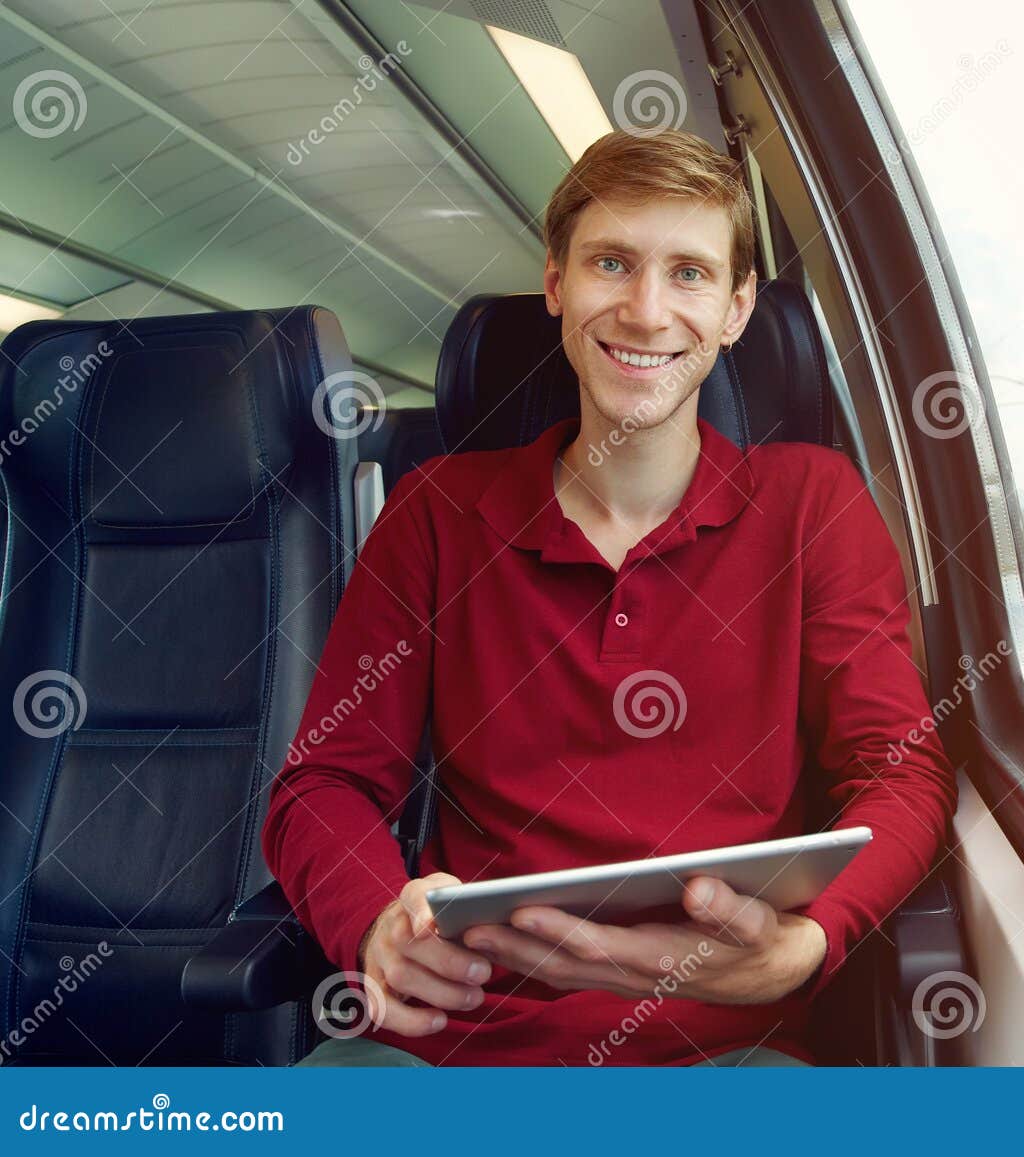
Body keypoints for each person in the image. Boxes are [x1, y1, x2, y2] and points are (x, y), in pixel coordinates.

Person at [262, 128, 957, 1066]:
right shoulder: (435, 513)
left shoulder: (814, 504)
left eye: (689, 274)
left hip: (720, 1048)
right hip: (446, 1044)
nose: (645, 310)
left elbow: (901, 771)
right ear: (556, 283)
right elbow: (325, 782)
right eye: (612, 263)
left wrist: (808, 945)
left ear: (737, 309)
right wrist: (372, 921)